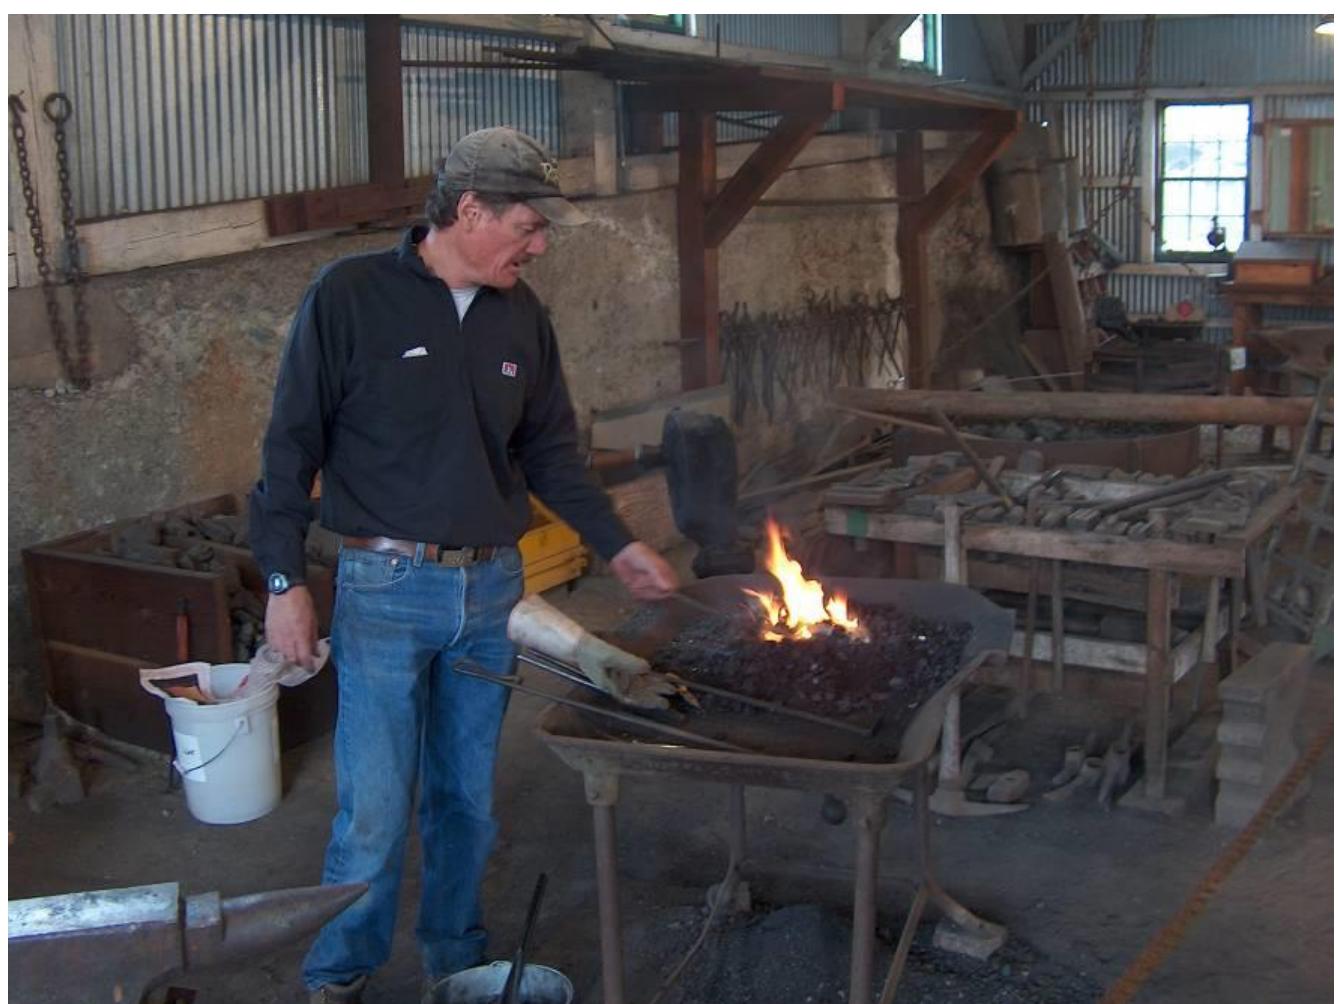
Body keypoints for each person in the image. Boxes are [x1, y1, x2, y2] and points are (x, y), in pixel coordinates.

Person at [248, 126, 680, 1003]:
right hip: (383, 589)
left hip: (490, 590)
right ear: (469, 210)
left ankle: (457, 960)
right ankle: (339, 974)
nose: (540, 244)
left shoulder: (524, 317)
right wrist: (285, 584)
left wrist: (620, 543)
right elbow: (289, 449)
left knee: (466, 802)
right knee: (372, 809)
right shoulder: (350, 297)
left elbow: (553, 453)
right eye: (527, 224)